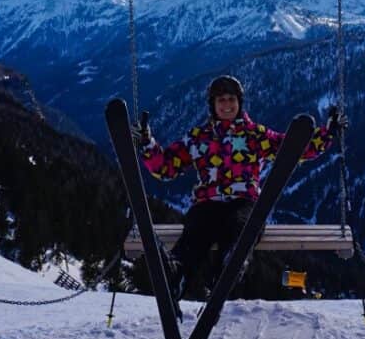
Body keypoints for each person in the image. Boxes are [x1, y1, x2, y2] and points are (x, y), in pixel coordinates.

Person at [134, 75, 347, 301]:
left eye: (231, 99)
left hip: (244, 200)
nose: (227, 105)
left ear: (239, 102)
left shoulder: (255, 135)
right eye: (221, 100)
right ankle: (175, 270)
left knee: (241, 226)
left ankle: (230, 265)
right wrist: (148, 144)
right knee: (196, 231)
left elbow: (294, 149)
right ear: (213, 105)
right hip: (208, 202)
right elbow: (166, 167)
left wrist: (327, 133)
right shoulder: (199, 138)